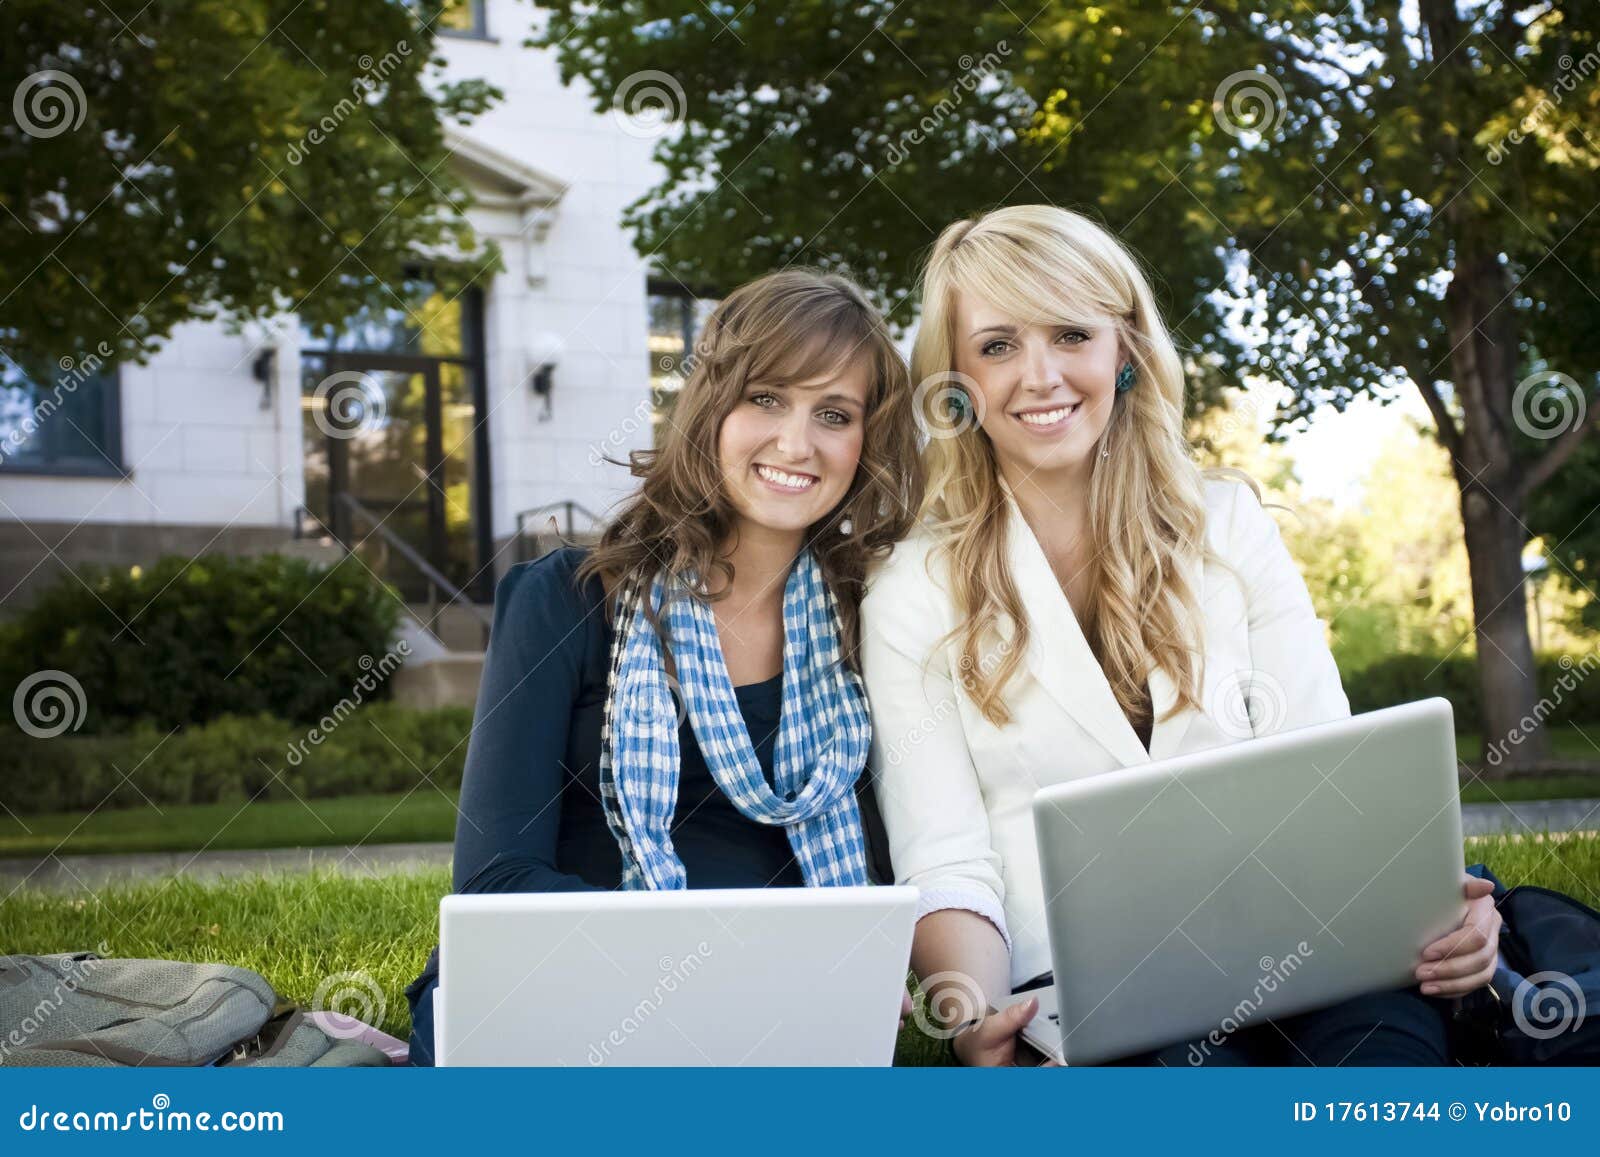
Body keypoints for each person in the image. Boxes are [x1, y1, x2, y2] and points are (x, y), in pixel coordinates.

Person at [860, 205, 1501, 1066]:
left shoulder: (1227, 522)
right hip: (1097, 992)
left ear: (1123, 350)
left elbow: (1329, 773)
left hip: (1310, 948)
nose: (1040, 375)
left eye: (1071, 334)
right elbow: (946, 856)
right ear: (955, 381)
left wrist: (1438, 907)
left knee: (1386, 1070)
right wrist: (976, 1009)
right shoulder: (912, 587)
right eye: (998, 346)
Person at [403, 269, 922, 1065]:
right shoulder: (569, 600)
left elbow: (890, 873)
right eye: (767, 398)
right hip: (559, 991)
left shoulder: (874, 617)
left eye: (834, 414)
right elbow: (495, 882)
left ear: (864, 442)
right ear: (711, 405)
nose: (797, 442)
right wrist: (702, 972)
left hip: (778, 1014)